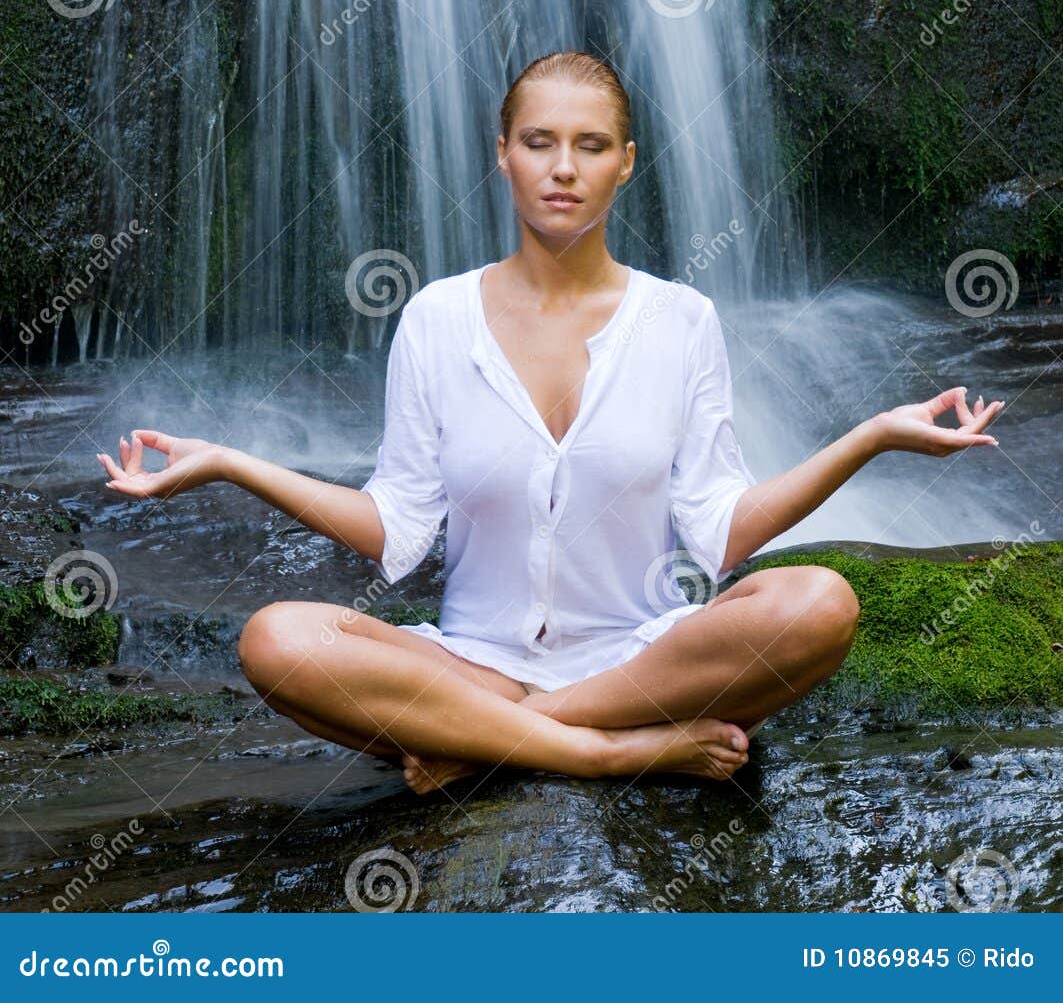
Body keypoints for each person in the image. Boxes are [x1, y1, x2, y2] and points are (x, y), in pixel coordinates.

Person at [96, 50, 1004, 796]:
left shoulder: (681, 320)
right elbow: (398, 529)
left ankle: (493, 744)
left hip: (640, 660)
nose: (563, 167)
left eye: (589, 144)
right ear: (503, 155)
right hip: (471, 664)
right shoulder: (436, 319)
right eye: (539, 142)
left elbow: (719, 530)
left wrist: (869, 438)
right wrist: (228, 461)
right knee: (278, 639)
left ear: (627, 161)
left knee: (819, 602)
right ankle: (612, 751)